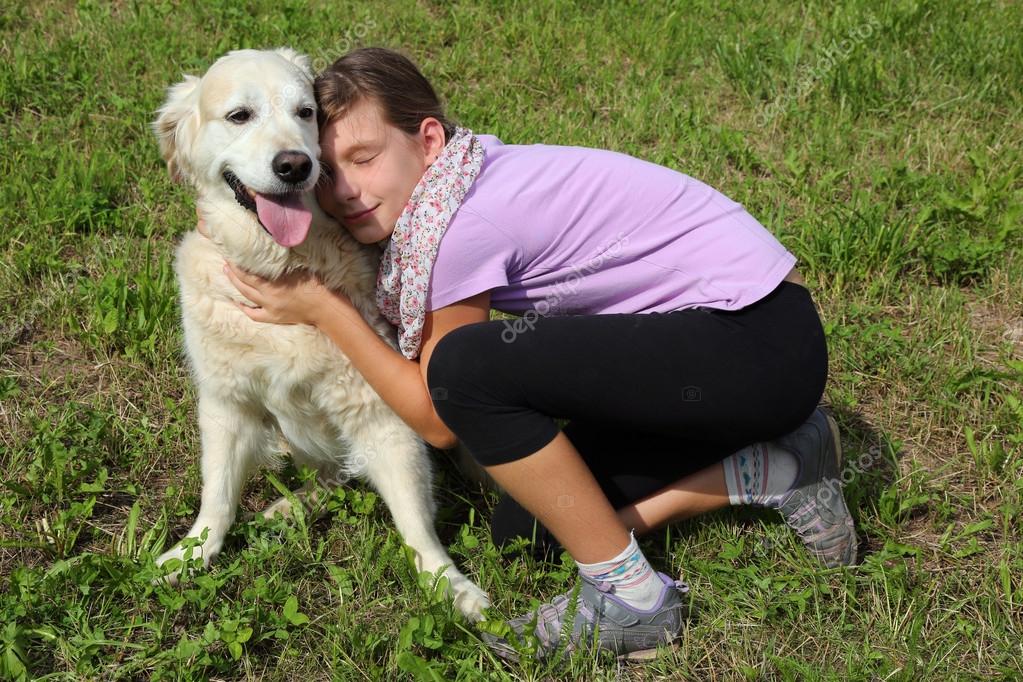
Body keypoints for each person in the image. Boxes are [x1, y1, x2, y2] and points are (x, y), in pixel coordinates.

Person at [209, 46, 858, 662]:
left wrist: (326, 310)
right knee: (534, 527)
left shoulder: (465, 225)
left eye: (365, 157)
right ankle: (777, 464)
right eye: (330, 169)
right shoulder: (454, 186)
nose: (344, 188)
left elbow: (437, 417)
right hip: (714, 354)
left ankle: (631, 598)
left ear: (428, 140)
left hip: (755, 341)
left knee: (469, 368)